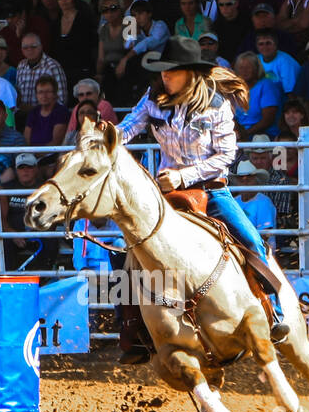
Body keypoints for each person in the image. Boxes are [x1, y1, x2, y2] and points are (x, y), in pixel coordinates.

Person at [118, 36, 290, 355]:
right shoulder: (153, 98)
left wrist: (183, 175)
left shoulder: (216, 105)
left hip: (211, 190)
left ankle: (272, 311)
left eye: (172, 71)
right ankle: (131, 330)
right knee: (127, 249)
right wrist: (109, 136)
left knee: (250, 240)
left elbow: (225, 155)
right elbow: (130, 126)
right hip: (166, 194)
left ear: (190, 73)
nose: (165, 77)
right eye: (163, 71)